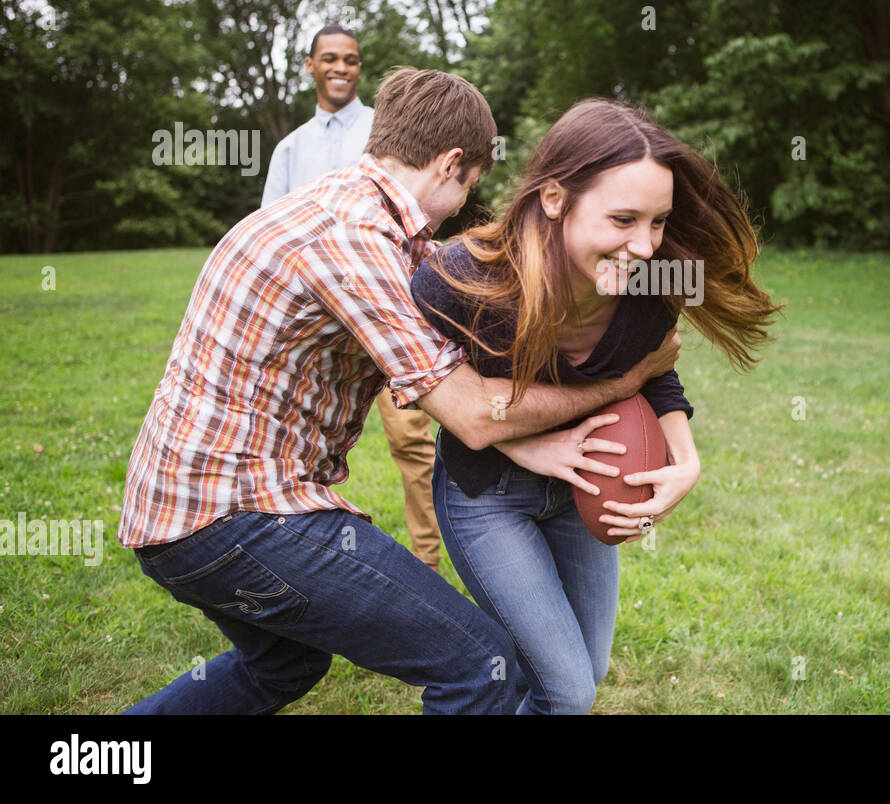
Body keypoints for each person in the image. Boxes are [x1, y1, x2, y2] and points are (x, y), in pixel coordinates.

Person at [119, 70, 681, 714]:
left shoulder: (350, 215)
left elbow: (434, 379)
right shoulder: (355, 241)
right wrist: (627, 381)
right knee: (483, 666)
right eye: (470, 185)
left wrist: (528, 445)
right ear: (449, 165)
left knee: (281, 667)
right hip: (239, 515)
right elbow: (471, 413)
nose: (467, 203)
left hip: (178, 512)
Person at [413, 98, 783, 714]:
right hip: (487, 496)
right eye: (622, 219)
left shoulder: (652, 284)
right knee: (568, 692)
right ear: (555, 198)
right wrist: (525, 443)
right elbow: (418, 388)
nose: (644, 246)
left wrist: (686, 461)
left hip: (583, 487)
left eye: (658, 222)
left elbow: (657, 371)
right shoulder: (461, 282)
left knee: (588, 668)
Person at [261, 23, 446, 571]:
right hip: (315, 330)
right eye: (331, 59)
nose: (342, 68)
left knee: (414, 444)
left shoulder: (384, 133)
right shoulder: (291, 148)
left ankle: (427, 565)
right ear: (311, 66)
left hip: (386, 309)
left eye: (352, 60)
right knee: (291, 447)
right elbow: (271, 231)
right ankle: (292, 562)